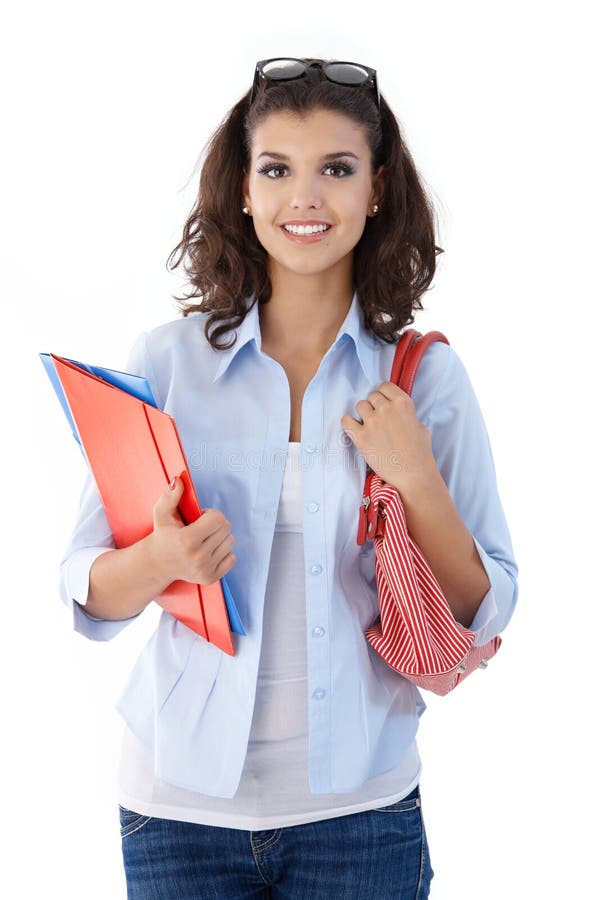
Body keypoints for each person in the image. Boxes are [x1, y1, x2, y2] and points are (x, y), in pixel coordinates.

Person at [58, 57, 519, 899]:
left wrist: (416, 477)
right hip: (176, 812)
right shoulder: (168, 363)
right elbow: (87, 587)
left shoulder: (422, 379)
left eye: (335, 169)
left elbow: (484, 608)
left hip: (361, 814)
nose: (304, 198)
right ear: (243, 188)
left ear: (376, 190)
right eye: (276, 169)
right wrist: (162, 560)